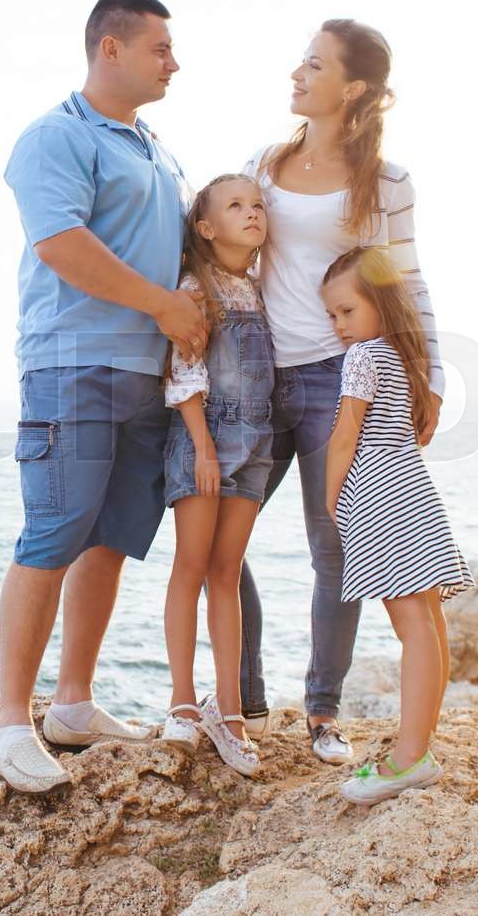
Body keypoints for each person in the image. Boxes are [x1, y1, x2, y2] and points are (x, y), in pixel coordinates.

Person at [0, 0, 209, 793]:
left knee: (110, 537)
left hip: (146, 373)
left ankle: (72, 705)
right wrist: (163, 306)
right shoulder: (56, 135)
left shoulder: (158, 150)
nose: (174, 62)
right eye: (160, 48)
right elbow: (60, 244)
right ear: (110, 48)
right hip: (71, 365)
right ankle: (13, 727)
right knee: (53, 533)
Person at [235, 19, 447, 766]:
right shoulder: (264, 165)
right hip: (258, 377)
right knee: (219, 538)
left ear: (353, 88)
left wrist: (430, 377)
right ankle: (241, 699)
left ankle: (321, 713)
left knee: (336, 551)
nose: (298, 73)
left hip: (340, 377)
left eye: (315, 64)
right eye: (302, 60)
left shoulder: (386, 182)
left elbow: (406, 280)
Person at [319, 245, 474, 802]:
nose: (339, 325)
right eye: (332, 315)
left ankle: (409, 759)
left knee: (412, 626)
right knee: (429, 620)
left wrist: (332, 499)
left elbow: (346, 435)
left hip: (379, 496)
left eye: (347, 310)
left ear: (380, 302)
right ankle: (418, 744)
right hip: (413, 487)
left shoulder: (363, 357)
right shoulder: (409, 357)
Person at [157, 175, 273, 777]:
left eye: (257, 205)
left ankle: (228, 712)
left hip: (255, 445)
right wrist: (203, 448)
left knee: (227, 573)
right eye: (236, 206)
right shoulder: (194, 288)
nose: (252, 213)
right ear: (206, 228)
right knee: (191, 565)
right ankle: (182, 701)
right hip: (203, 439)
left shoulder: (261, 289)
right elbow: (184, 375)